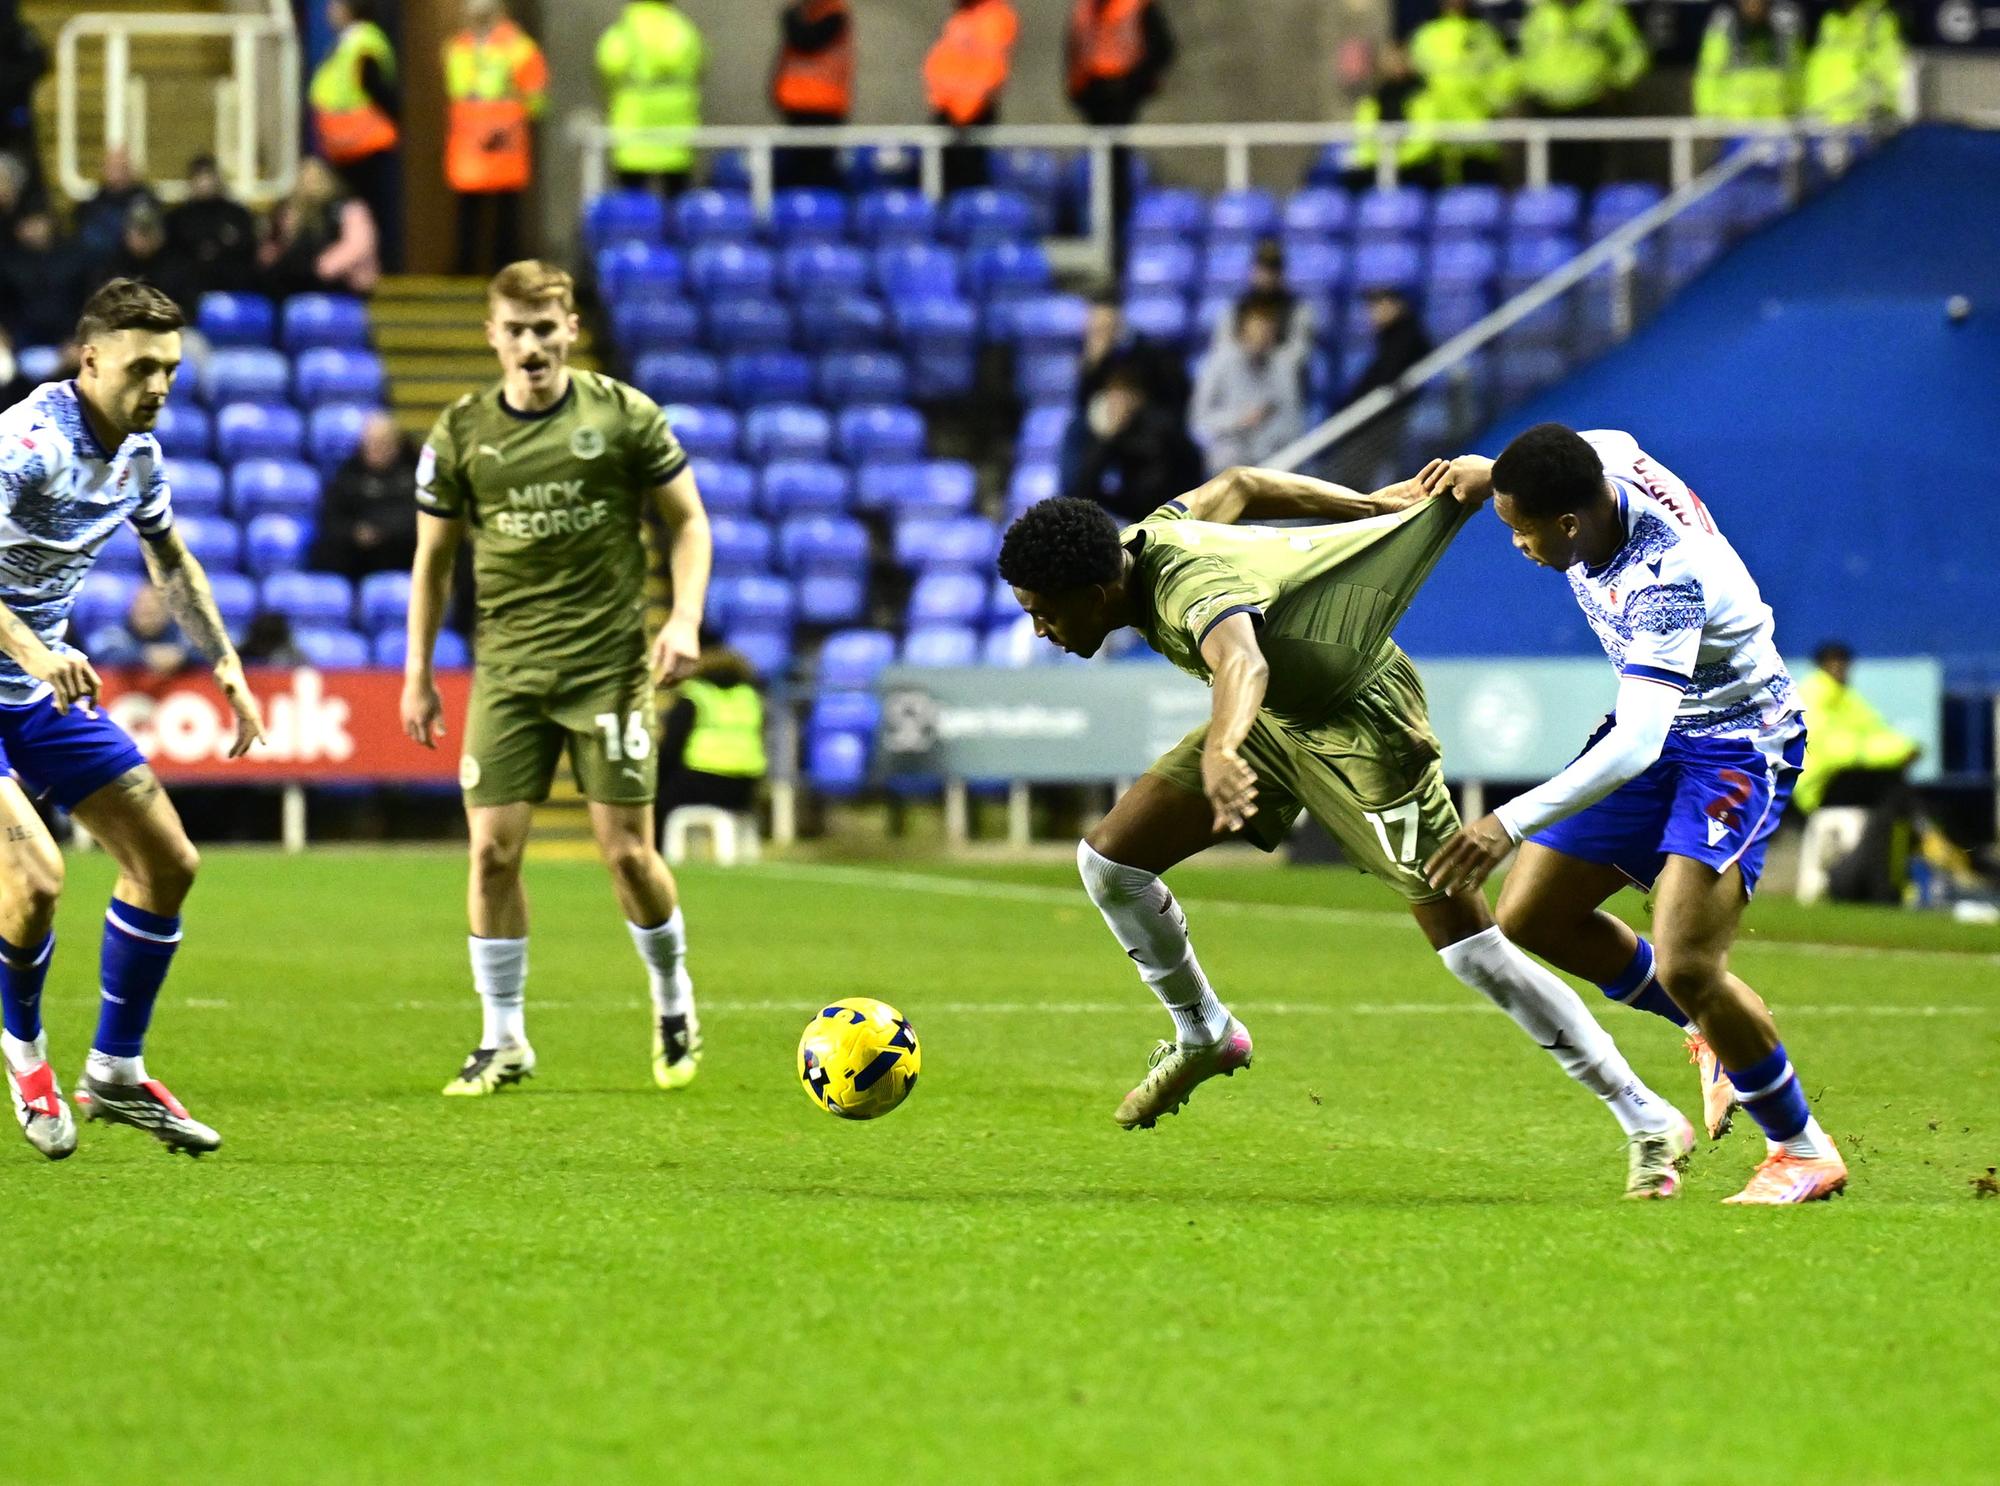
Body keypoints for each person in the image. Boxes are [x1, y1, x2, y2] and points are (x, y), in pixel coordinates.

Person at [997, 467, 1691, 1199]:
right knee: (1111, 863)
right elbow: (1236, 486)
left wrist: (1223, 746)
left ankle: (1648, 1114)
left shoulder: (1183, 590)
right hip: (1279, 722)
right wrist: (1365, 502)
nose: (1041, 630)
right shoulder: (1149, 536)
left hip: (1361, 729)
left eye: (1045, 613)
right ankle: (1203, 1030)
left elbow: (1242, 659)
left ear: (1097, 595)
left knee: (1471, 950)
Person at [1429, 426, 1848, 1204]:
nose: (1517, 543)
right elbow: (1580, 449)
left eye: (1521, 530)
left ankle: (1801, 1149)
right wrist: (1489, 474)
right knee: (1532, 916)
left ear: (1569, 525)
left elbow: (1636, 745)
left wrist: (1504, 821)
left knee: (1690, 964)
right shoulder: (1605, 458)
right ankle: (1705, 1032)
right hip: (1665, 726)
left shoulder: (1663, 580)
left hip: (1735, 742)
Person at [401, 260, 713, 1098]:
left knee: (627, 856)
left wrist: (682, 620)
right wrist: (419, 673)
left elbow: (688, 522)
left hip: (608, 668)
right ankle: (503, 1038)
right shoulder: (460, 433)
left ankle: (672, 996)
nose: (533, 345)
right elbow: (432, 564)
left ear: (570, 328)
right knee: (492, 852)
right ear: (492, 335)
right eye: (517, 329)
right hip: (507, 671)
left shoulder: (623, 416)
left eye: (547, 328)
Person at [0, 278, 266, 1162]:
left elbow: (172, 560)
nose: (158, 385)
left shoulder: (137, 457)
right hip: (28, 676)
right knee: (37, 882)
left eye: (172, 369)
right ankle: (25, 1051)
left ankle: (115, 1070)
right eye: (142, 366)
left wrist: (227, 665)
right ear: (92, 359)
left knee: (168, 861)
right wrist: (39, 653)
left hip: (34, 696)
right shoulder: (28, 443)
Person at [1065, 0, 1176, 265]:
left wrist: (1133, 85)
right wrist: (1082, 94)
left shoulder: (1137, 6)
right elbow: (1074, 55)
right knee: (1100, 176)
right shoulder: (1084, 10)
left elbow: (1163, 48)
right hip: (1095, 102)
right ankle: (1108, 241)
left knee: (1118, 175)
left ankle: (1120, 247)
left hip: (1123, 100)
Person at [444, 0, 548, 279]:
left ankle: (505, 268)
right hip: (469, 145)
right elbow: (458, 90)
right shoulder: (458, 47)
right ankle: (465, 269)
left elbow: (536, 99)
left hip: (504, 143)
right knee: (469, 210)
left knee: (507, 211)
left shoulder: (519, 47)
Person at [1516, 0, 1650, 188]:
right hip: (1543, 106)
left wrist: (1616, 83)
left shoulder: (1604, 9)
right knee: (1550, 180)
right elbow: (1526, 53)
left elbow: (1635, 53)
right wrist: (1527, 86)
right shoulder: (1540, 10)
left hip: (1590, 104)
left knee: (1590, 174)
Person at [308, 0, 400, 271]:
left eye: (335, 5)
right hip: (344, 148)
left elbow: (379, 92)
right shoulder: (344, 43)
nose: (329, 11)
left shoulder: (364, 43)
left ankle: (378, 267)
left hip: (366, 145)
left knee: (369, 210)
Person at [1059, 354, 1204, 522]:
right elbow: (1083, 487)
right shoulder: (1109, 433)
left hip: (1172, 511)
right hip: (1135, 514)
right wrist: (1109, 438)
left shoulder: (1161, 426)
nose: (1117, 403)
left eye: (1123, 395)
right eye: (1112, 396)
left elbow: (1186, 466)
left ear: (1138, 396)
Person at [597, 0, 705, 196]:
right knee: (677, 196)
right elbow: (700, 65)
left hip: (633, 126)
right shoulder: (682, 28)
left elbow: (609, 64)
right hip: (677, 126)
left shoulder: (626, 29)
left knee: (632, 201)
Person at [1190, 295, 1306, 474]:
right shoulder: (1219, 362)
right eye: (1256, 330)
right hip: (1228, 463)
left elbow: (1293, 425)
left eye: (1267, 332)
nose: (1261, 338)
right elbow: (1198, 424)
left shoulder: (1284, 367)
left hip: (1272, 465)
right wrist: (1240, 420)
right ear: (1242, 331)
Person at [1407, 0, 1513, 185]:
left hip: (1479, 135)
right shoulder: (1425, 35)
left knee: (1479, 199)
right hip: (1436, 140)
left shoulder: (1484, 33)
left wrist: (1489, 103)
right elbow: (1413, 85)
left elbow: (1501, 78)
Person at [660, 643, 767, 818]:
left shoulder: (695, 695)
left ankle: (657, 844)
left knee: (659, 800)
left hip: (699, 782)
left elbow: (671, 747)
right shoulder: (750, 698)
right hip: (744, 786)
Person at [923, 0, 1019, 193]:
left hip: (968, 119)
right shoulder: (963, 17)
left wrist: (962, 114)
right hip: (949, 114)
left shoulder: (993, 17)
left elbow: (988, 72)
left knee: (967, 183)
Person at [311, 409, 419, 579]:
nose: (378, 449)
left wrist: (388, 531)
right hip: (359, 553)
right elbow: (332, 518)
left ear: (397, 443)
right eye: (372, 443)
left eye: (384, 443)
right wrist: (355, 532)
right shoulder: (348, 474)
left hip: (403, 547)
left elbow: (424, 514)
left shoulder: (415, 472)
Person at [259, 156, 379, 297]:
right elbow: (275, 246)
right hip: (293, 282)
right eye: (305, 178)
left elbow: (357, 245)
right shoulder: (288, 211)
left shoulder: (348, 208)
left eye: (316, 177)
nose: (310, 183)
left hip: (340, 283)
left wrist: (323, 267)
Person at [770, 0, 853, 192]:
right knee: (795, 173)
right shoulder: (803, 14)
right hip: (796, 105)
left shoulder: (834, 14)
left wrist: (790, 17)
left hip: (825, 107)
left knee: (819, 174)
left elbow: (806, 40)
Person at [165, 155, 258, 298]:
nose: (205, 182)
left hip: (232, 287)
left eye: (208, 175)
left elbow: (247, 251)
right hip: (191, 290)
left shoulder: (237, 215)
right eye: (199, 176)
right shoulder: (178, 218)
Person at [1694, 0, 1801, 124]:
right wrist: (1708, 115)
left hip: (1777, 120)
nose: (1754, 4)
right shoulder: (1725, 23)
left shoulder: (1784, 23)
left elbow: (1795, 70)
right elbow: (1709, 72)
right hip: (1733, 121)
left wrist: (1796, 108)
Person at [1802, 0, 1905, 126]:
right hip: (1820, 125)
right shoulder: (1830, 20)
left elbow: (1889, 77)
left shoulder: (1879, 20)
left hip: (1859, 126)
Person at [98, 203, 202, 318]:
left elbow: (189, 309)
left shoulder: (178, 266)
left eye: (149, 233)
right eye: (139, 233)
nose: (144, 240)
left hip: (167, 329)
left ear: (161, 234)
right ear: (126, 234)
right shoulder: (111, 265)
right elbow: (101, 308)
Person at [75, 146, 158, 264]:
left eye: (122, 168)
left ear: (132, 170)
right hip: (99, 268)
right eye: (113, 167)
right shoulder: (89, 207)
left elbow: (151, 241)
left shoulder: (146, 202)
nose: (117, 174)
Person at [0, 2, 46, 203]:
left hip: (14, 122)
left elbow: (40, 61)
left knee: (24, 183)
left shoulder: (18, 34)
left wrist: (7, 82)